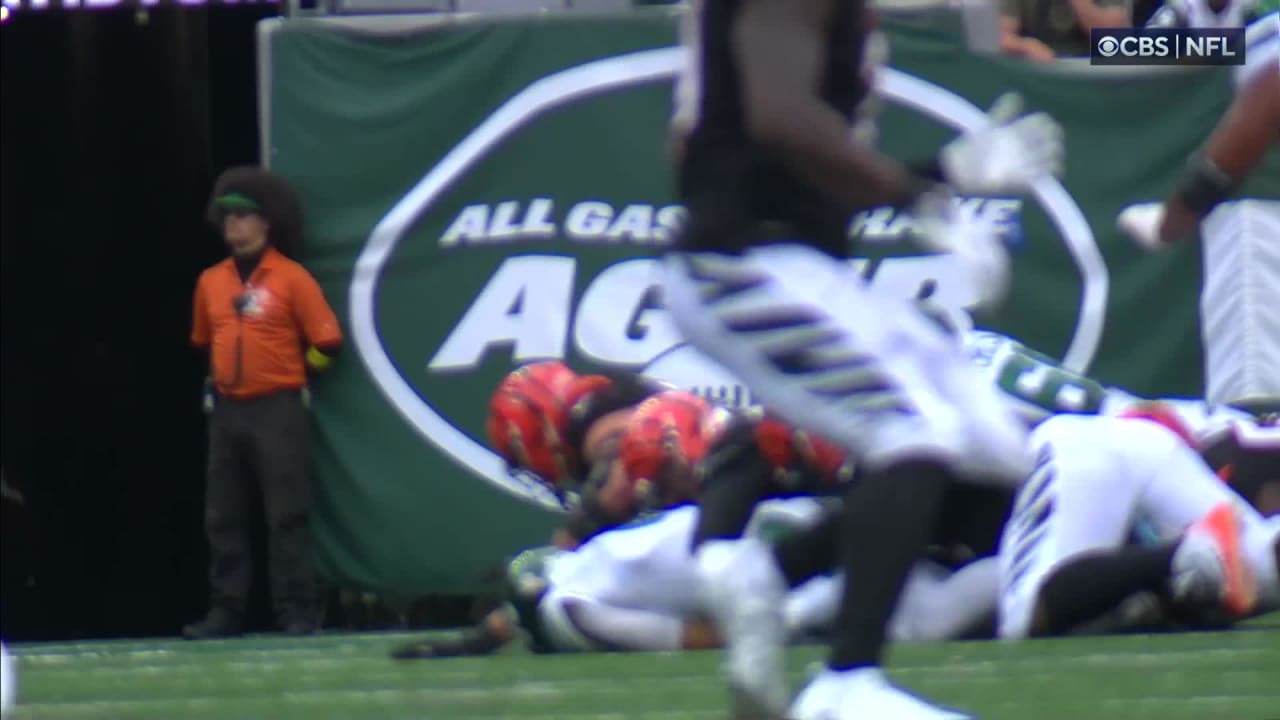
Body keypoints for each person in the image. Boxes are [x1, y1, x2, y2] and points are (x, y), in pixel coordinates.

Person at [659, 1, 1066, 717]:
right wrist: (920, 199)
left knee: (995, 449)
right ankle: (846, 684)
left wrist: (939, 172)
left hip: (794, 256)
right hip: (738, 261)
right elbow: (777, 119)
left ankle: (767, 576)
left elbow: (771, 156)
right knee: (912, 429)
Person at [183, 167, 342, 639]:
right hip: (227, 409)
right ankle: (225, 612)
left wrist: (297, 373)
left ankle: (296, 612)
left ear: (266, 222)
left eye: (244, 216)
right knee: (223, 516)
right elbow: (202, 340)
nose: (234, 226)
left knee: (286, 514)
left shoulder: (292, 279)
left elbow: (329, 341)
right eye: (227, 217)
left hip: (279, 409)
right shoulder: (210, 282)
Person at [1117, 11, 1280, 413]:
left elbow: (1267, 87)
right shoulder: (1181, 10)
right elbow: (1119, 48)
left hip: (1258, 198)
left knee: (1254, 421)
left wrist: (1172, 221)